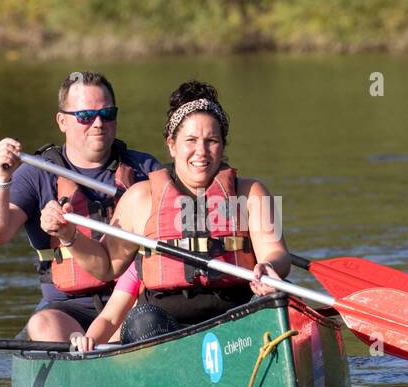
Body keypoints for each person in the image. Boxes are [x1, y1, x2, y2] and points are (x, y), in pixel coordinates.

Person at [41, 79, 289, 343]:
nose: (201, 152)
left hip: (235, 318)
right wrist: (69, 236)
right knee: (142, 320)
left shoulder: (253, 193)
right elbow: (105, 266)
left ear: (223, 145)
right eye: (190, 140)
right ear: (171, 145)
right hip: (163, 327)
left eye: (212, 140)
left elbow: (278, 253)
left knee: (278, 303)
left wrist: (269, 266)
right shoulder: (140, 197)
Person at [0, 71, 162, 341]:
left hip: (131, 301)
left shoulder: (145, 170)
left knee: (151, 318)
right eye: (86, 116)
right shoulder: (36, 173)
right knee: (43, 325)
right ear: (62, 121)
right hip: (67, 310)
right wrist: (2, 178)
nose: (98, 123)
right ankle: (80, 355)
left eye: (107, 113)